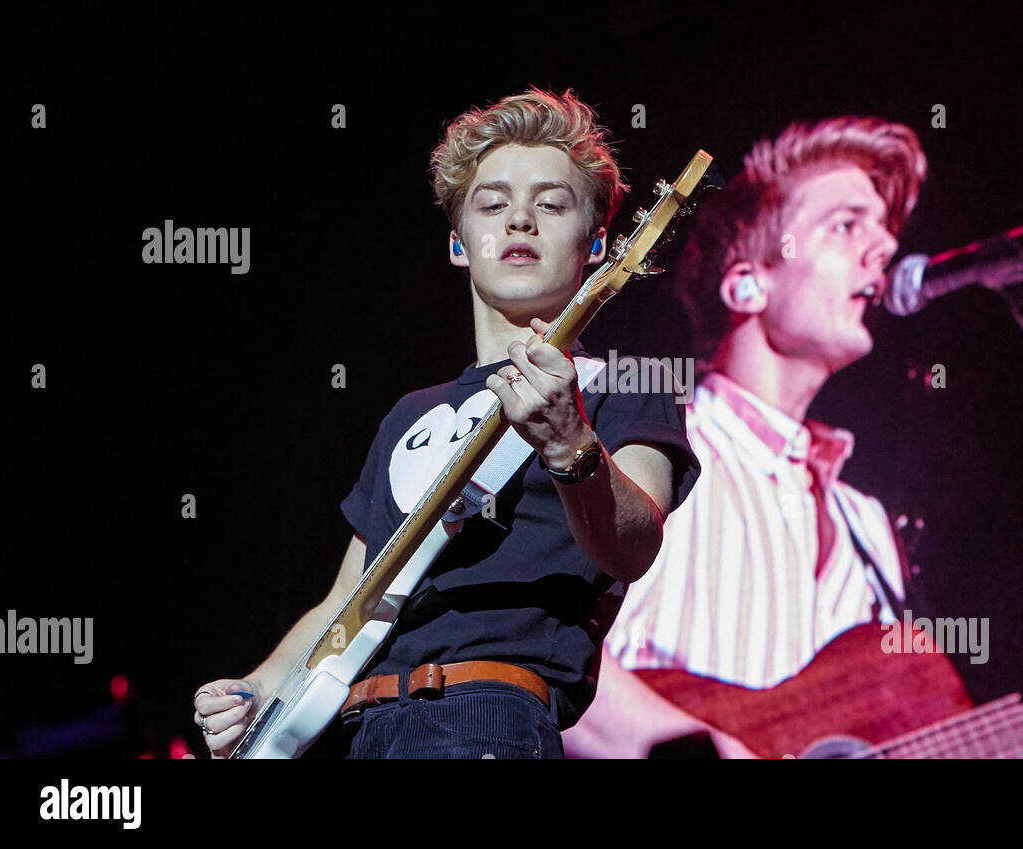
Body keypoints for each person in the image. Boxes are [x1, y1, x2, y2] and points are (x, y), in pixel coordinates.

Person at [563, 116, 1023, 759]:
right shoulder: (640, 439)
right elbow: (521, 648)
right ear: (747, 282)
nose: (883, 250)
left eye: (884, 230)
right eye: (846, 225)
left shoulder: (867, 525)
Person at [192, 88, 700, 759]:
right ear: (460, 243)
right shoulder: (408, 414)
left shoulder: (618, 388)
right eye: (492, 204)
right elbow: (348, 601)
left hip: (486, 714)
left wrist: (569, 443)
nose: (520, 218)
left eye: (551, 202)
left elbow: (634, 546)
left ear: (598, 242)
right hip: (361, 730)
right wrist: (253, 692)